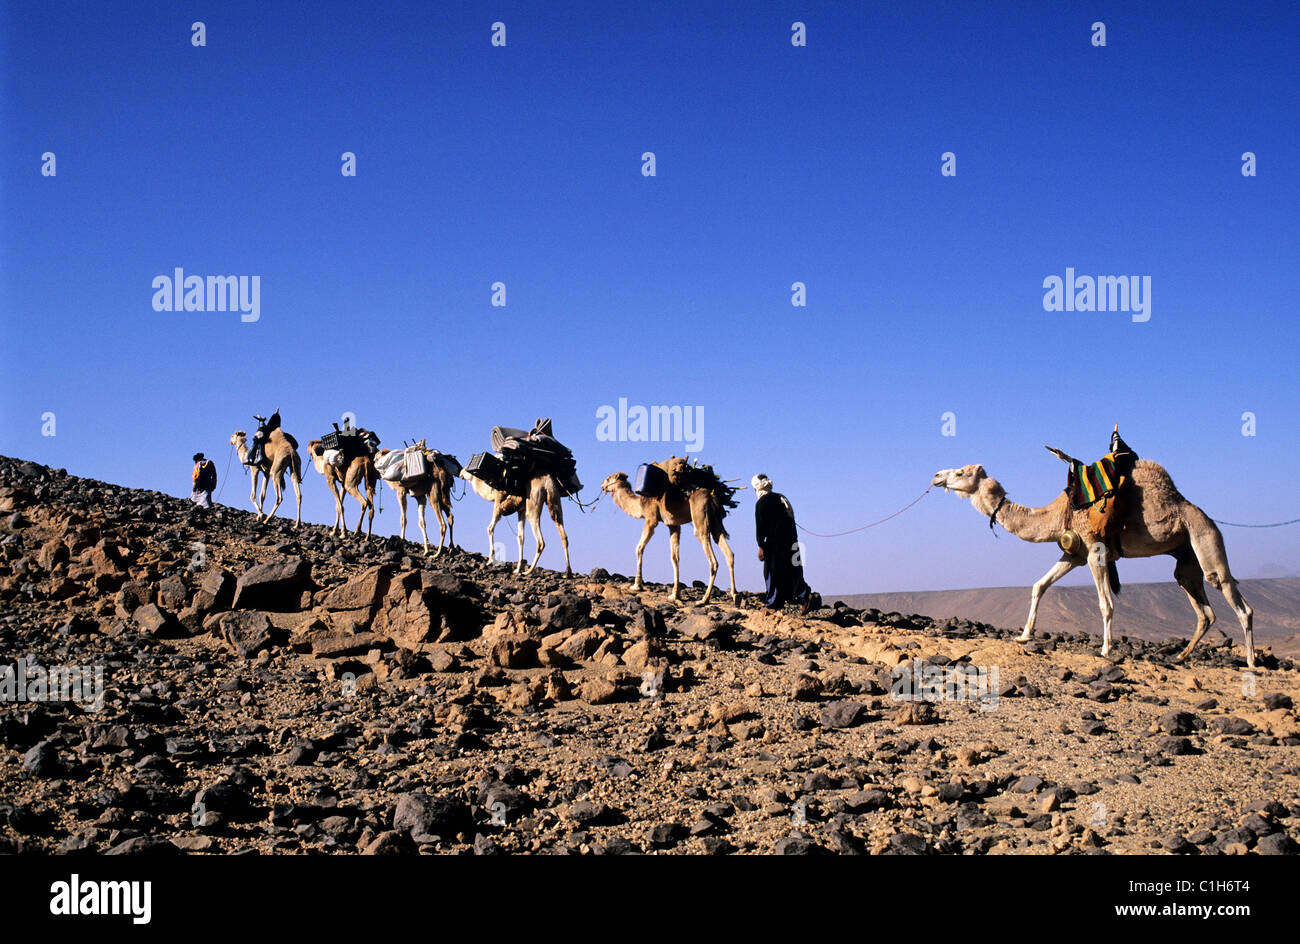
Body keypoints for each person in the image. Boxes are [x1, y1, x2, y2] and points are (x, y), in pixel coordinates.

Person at [752, 474, 816, 613]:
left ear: (756, 489)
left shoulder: (761, 503)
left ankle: (772, 604)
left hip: (774, 544)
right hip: (791, 540)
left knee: (771, 572)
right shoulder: (782, 498)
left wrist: (761, 545)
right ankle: (804, 595)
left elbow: (760, 527)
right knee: (793, 570)